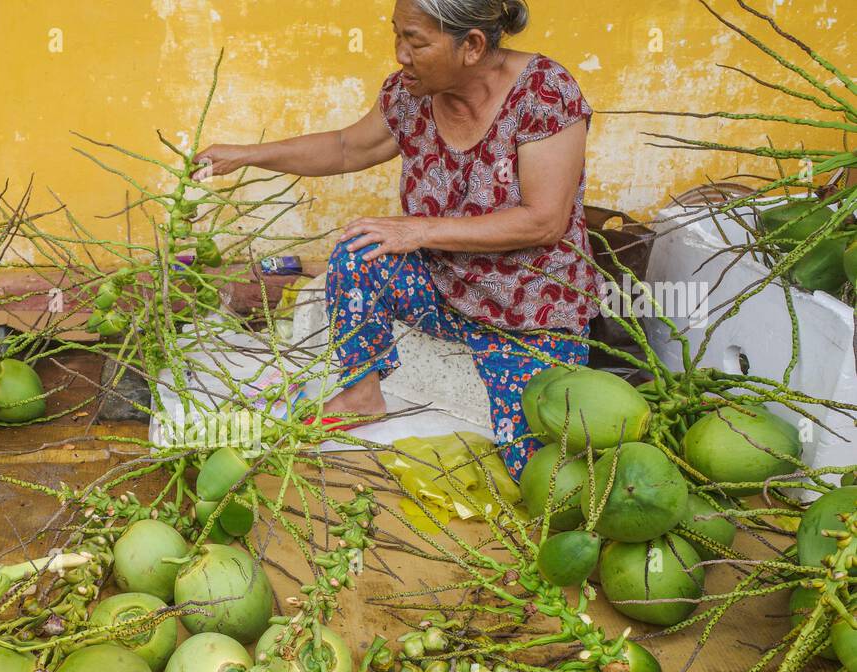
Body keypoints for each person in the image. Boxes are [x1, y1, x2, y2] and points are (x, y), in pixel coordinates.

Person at [194, 0, 602, 478]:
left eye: (416, 40)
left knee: (535, 468)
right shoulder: (411, 93)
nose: (401, 54)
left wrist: (418, 228)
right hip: (443, 294)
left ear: (470, 45)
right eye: (397, 35)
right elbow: (347, 146)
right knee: (361, 247)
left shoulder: (544, 92)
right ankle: (362, 393)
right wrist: (246, 155)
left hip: (531, 314)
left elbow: (544, 221)